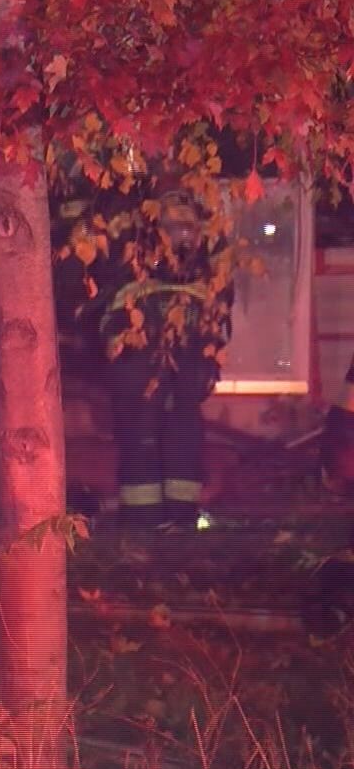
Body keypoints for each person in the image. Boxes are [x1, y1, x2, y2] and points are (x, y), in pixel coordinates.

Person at [81, 185, 231, 531]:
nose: (182, 236)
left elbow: (215, 334)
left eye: (188, 229)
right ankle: (145, 520)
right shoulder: (130, 279)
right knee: (143, 442)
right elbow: (99, 328)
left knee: (181, 441)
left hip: (177, 385)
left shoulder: (204, 283)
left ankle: (179, 519)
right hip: (139, 387)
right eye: (174, 228)